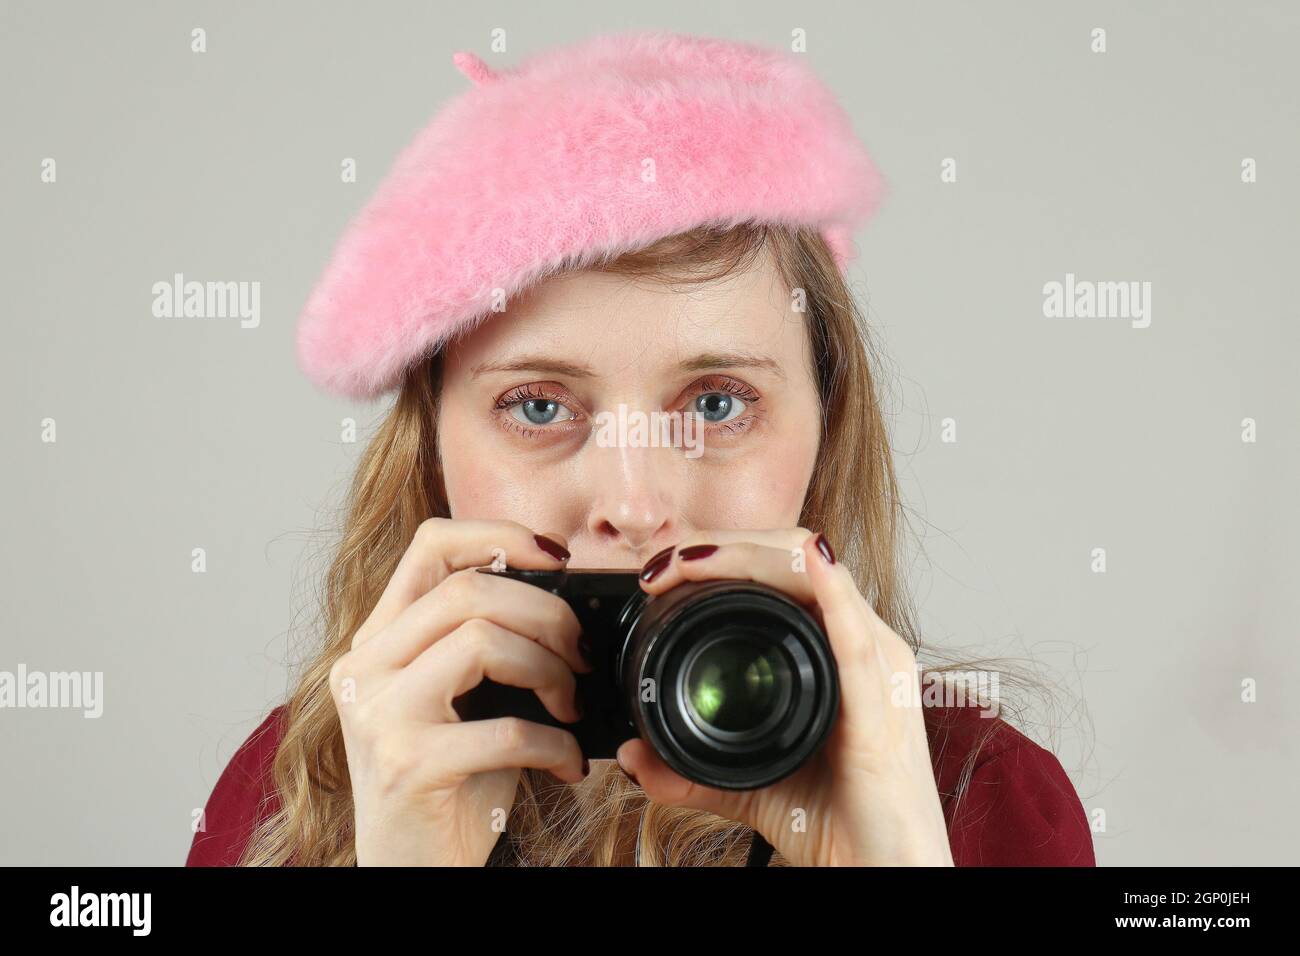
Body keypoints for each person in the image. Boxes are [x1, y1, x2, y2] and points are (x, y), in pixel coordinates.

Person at [188, 30, 1093, 867]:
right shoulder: (298, 790)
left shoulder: (985, 803)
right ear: (430, 446)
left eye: (715, 401)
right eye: (538, 406)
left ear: (828, 422)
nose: (633, 501)